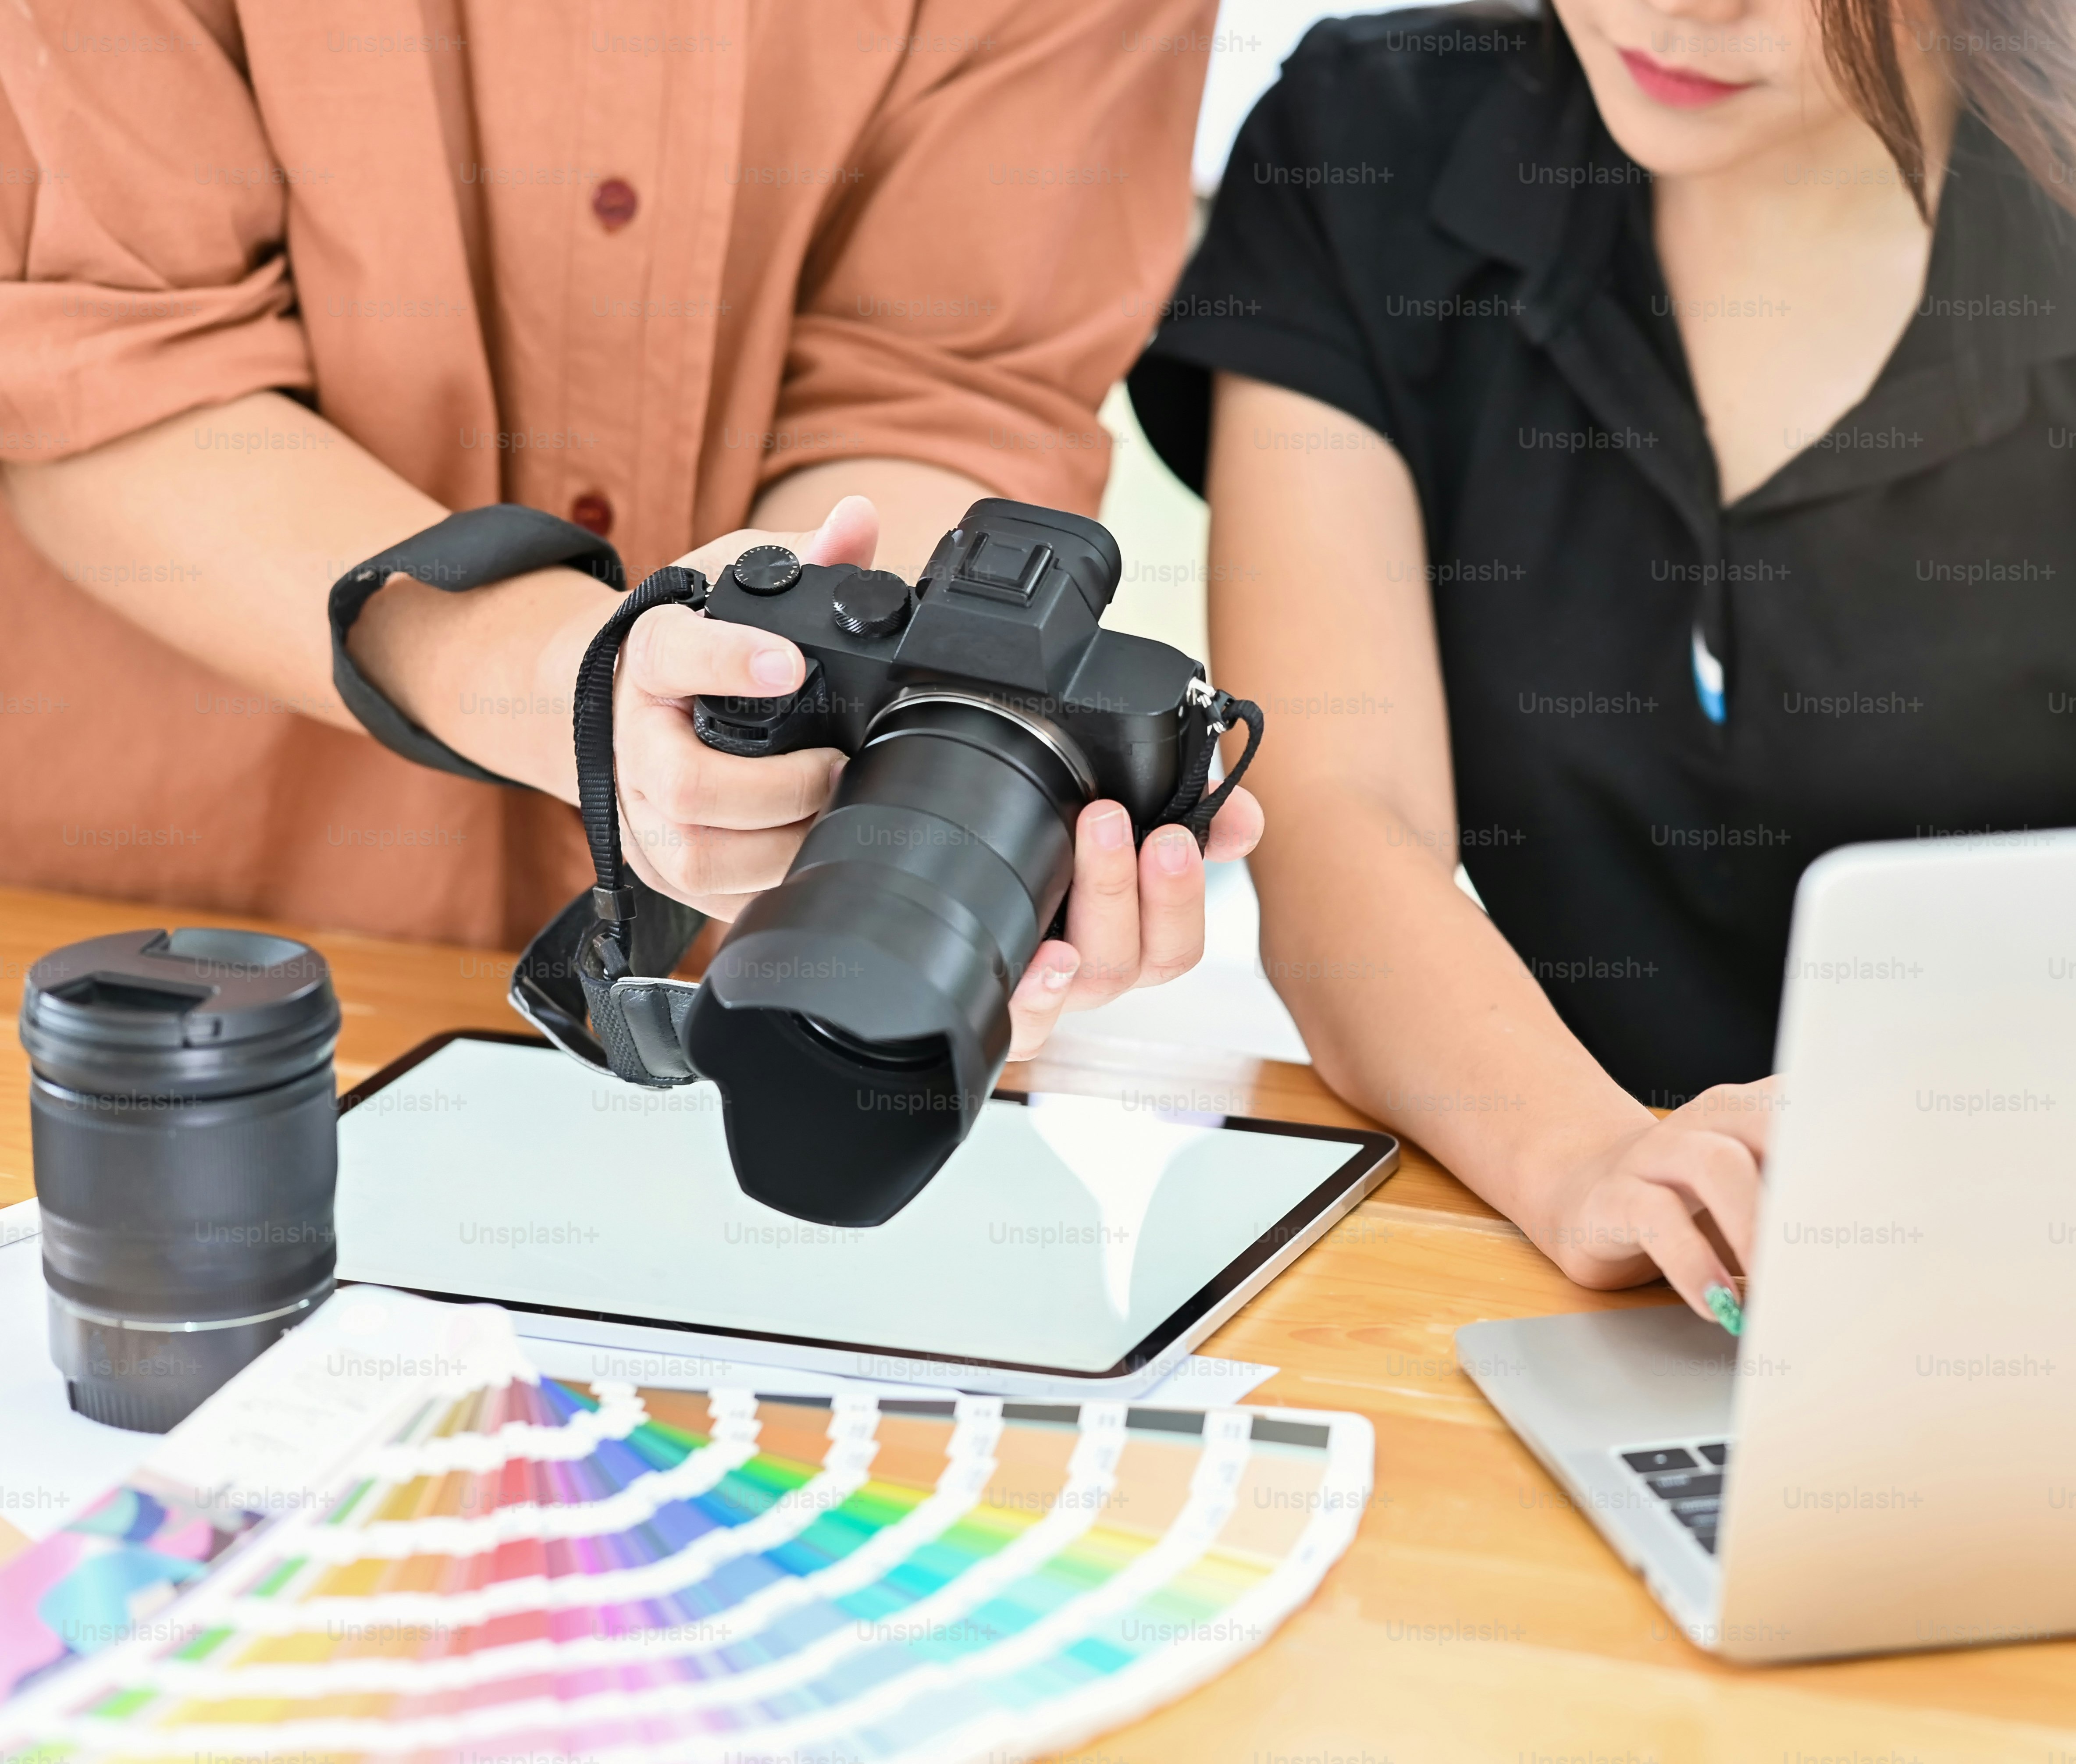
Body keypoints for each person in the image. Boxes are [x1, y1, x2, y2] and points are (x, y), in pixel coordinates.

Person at [1129, 0, 2076, 1327]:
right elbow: (1338, 827)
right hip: (1571, 1280)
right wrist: (1597, 1164)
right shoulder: (1369, 147)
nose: (1679, 8)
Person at [0, 0, 1257, 1057]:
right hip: (166, 963)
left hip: (779, 1020)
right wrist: (593, 690)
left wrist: (902, 807)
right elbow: (99, 367)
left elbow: (948, 382)